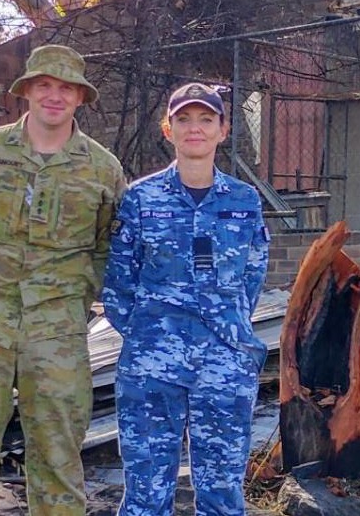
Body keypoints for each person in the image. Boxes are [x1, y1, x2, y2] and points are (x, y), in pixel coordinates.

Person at [0, 44, 126, 516]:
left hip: (56, 331)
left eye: (66, 88)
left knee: (58, 460)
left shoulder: (103, 169)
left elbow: (107, 247)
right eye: (44, 85)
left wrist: (73, 297)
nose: (54, 96)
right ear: (27, 92)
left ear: (80, 97)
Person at [103, 82, 270, 516]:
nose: (195, 128)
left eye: (206, 119)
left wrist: (226, 326)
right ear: (168, 130)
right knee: (146, 493)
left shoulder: (244, 201)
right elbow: (118, 281)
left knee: (222, 493)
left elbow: (253, 274)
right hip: (152, 364)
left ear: (223, 130)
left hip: (224, 363)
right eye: (184, 119)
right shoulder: (140, 199)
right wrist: (149, 333)